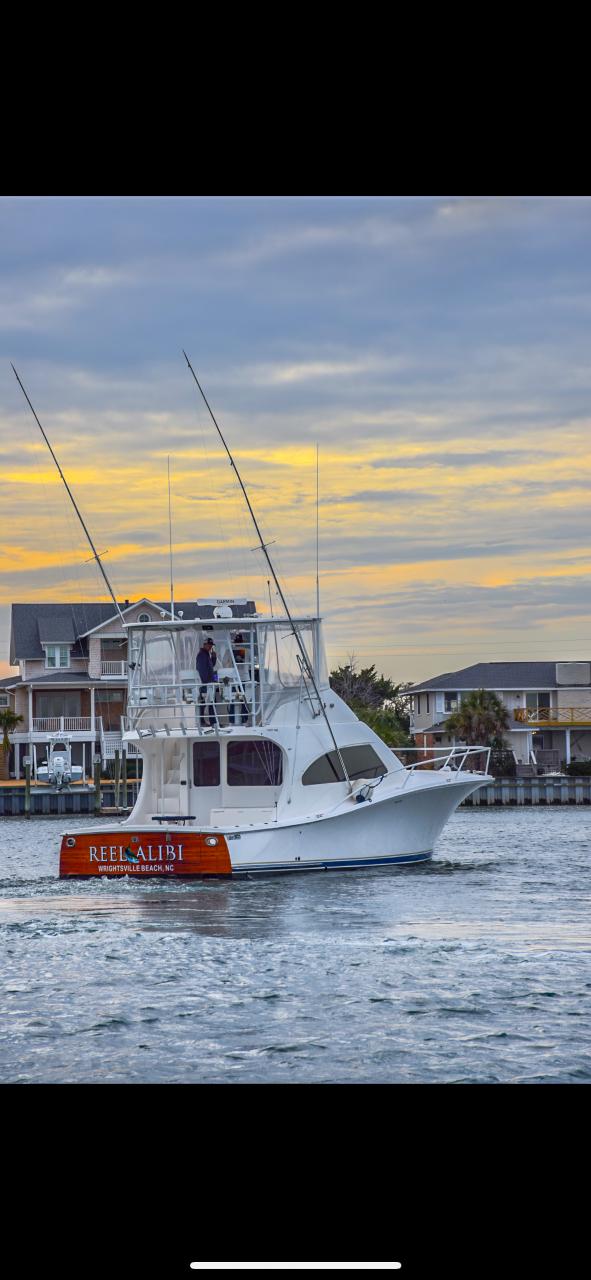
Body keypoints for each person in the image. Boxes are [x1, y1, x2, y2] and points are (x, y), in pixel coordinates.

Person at [196, 638, 216, 726]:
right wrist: (206, 682)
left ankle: (207, 721)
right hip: (206, 683)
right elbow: (202, 670)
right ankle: (211, 722)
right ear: (204, 645)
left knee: (207, 702)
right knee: (207, 702)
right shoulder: (202, 655)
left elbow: (211, 666)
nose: (210, 646)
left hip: (208, 683)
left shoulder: (206, 654)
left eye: (211, 645)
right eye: (209, 645)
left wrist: (213, 657)